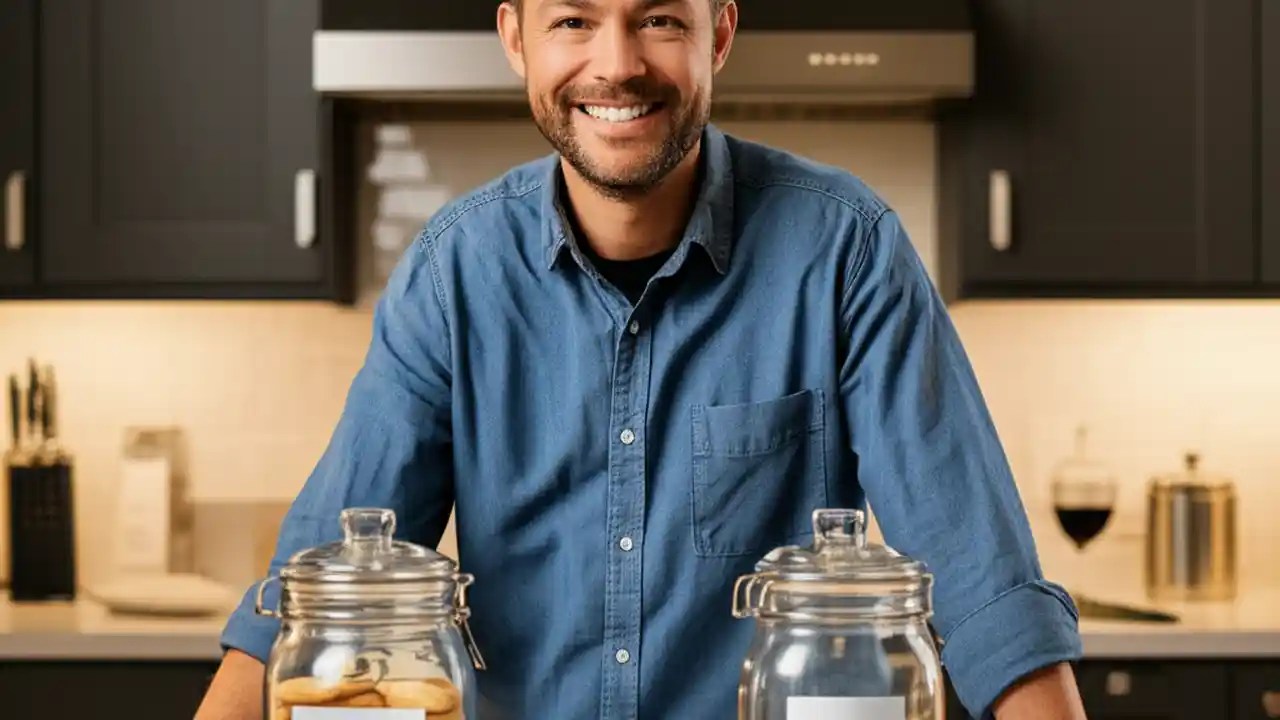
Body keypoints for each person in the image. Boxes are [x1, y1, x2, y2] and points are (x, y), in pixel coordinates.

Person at [197, 1, 1087, 718]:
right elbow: (313, 593)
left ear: (720, 34)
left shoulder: (846, 252)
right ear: (516, 38)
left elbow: (988, 596)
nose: (616, 63)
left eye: (658, 19)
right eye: (573, 21)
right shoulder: (454, 272)